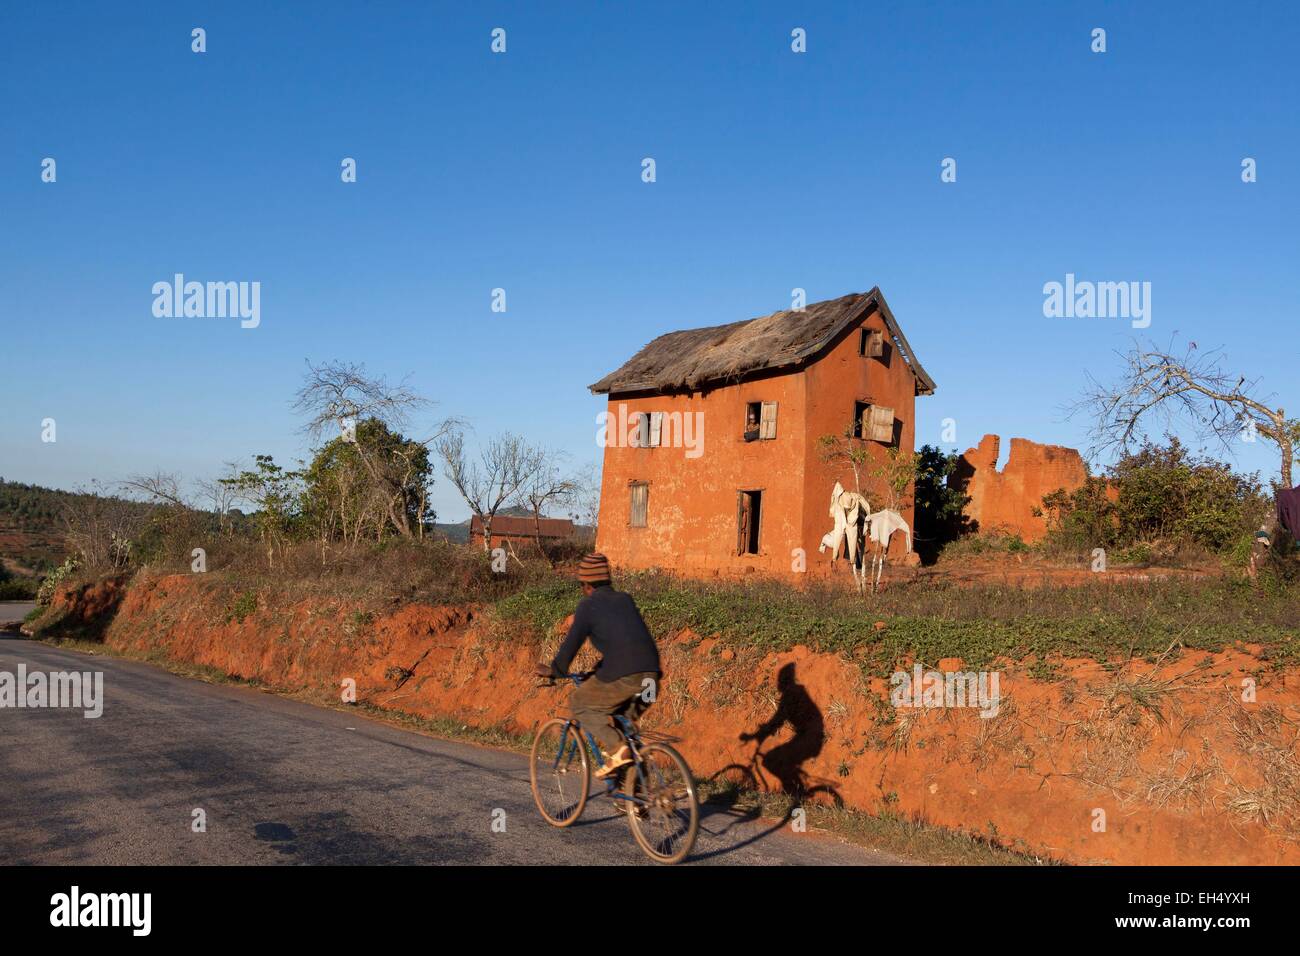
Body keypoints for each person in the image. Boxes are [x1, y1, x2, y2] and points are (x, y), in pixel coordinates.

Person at [535, 553, 661, 777]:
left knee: (579, 701)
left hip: (626, 677)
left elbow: (570, 647)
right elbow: (626, 645)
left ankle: (617, 749)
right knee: (624, 726)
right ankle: (637, 798)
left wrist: (555, 670)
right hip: (651, 677)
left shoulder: (588, 606)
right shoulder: (625, 600)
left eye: (582, 584)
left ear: (587, 584)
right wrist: (598, 670)